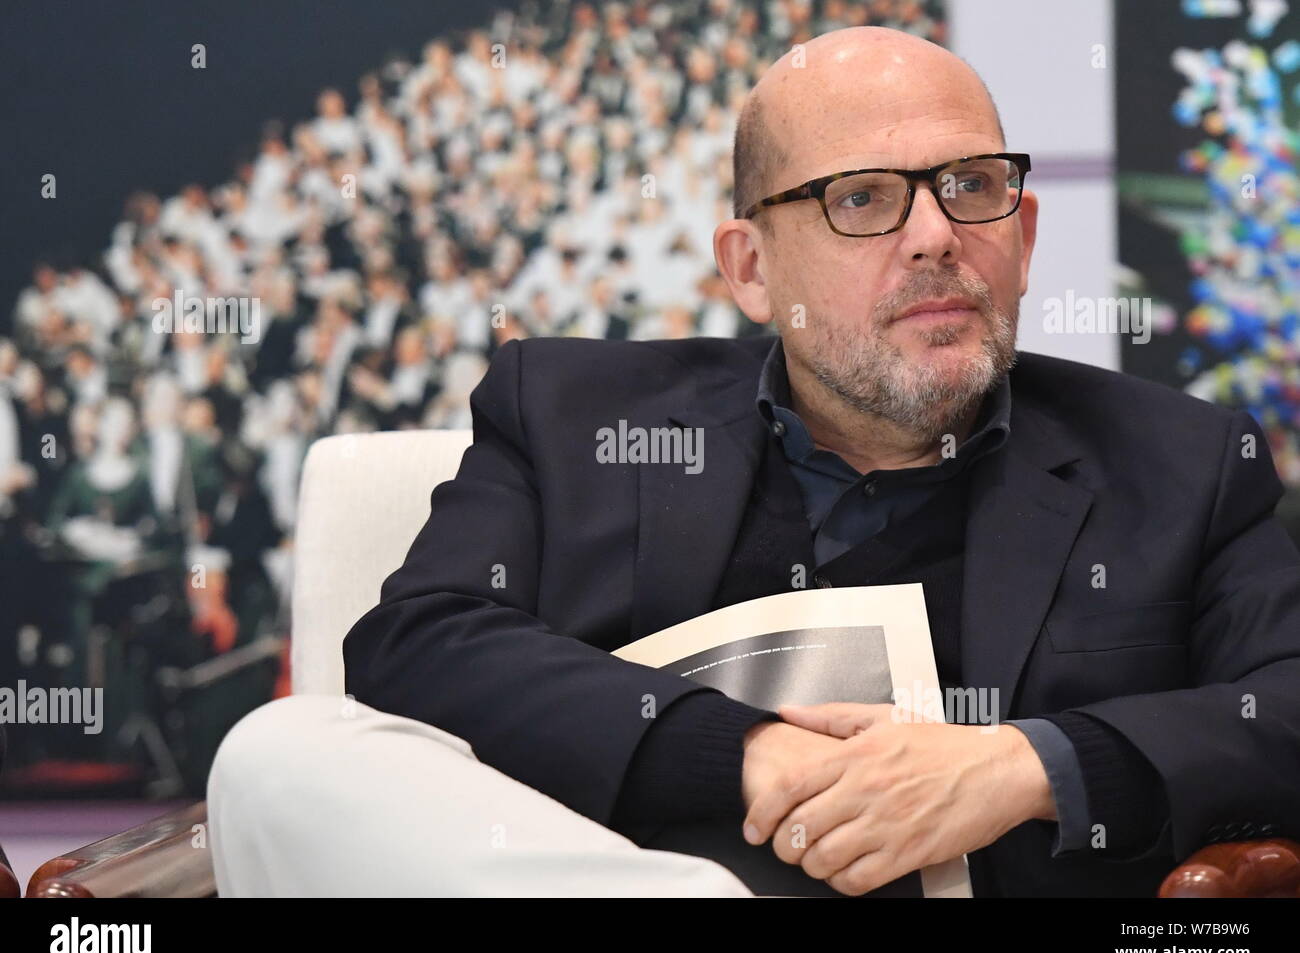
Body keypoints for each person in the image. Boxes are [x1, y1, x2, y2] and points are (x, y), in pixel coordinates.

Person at [208, 27, 1300, 897]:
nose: (934, 236)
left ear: (1020, 235)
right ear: (748, 265)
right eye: (861, 198)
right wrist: (748, 754)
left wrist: (1022, 769)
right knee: (280, 746)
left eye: (971, 186)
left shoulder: (1180, 460)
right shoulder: (571, 412)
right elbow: (421, 642)